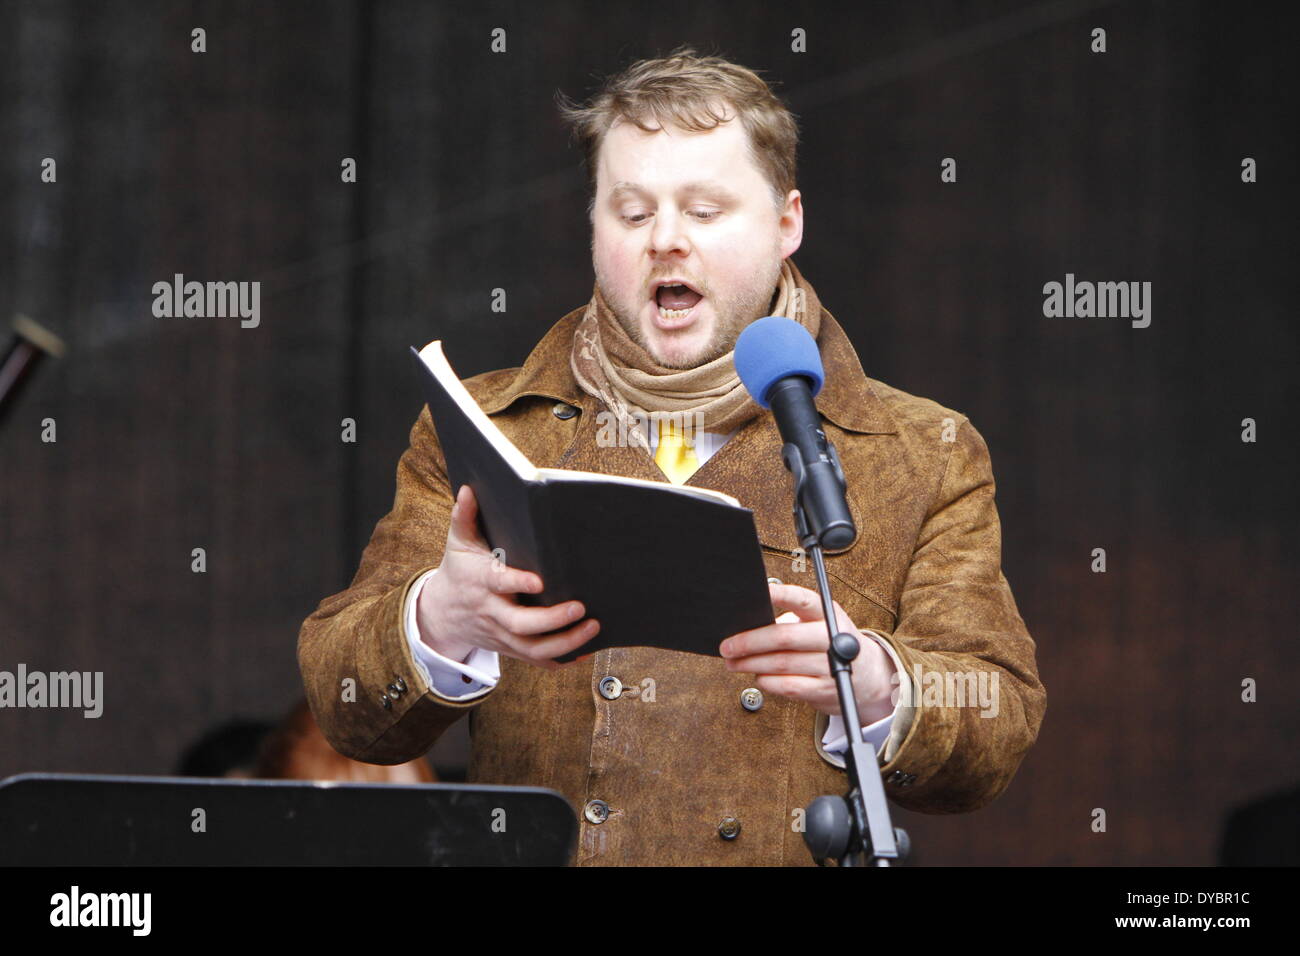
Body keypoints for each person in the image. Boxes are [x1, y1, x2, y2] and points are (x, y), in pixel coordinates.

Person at [298, 46, 1046, 866]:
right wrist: (442, 616)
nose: (665, 242)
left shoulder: (921, 452)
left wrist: (874, 682)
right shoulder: (485, 427)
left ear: (787, 222)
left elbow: (996, 723)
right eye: (631, 212)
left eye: (705, 210)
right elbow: (346, 706)